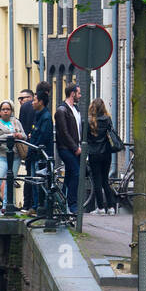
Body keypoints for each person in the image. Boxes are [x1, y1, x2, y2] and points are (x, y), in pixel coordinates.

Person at [0, 100, 25, 212]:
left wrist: (20, 135)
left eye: (8, 109)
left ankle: (7, 205)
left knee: (10, 181)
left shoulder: (16, 122)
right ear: (0, 111)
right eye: (3, 109)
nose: (6, 111)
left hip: (15, 156)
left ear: (11, 111)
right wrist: (7, 136)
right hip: (1, 155)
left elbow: (25, 136)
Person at [54, 81, 83, 215]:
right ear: (72, 94)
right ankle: (73, 205)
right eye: (78, 93)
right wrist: (75, 148)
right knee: (76, 173)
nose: (80, 95)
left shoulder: (75, 109)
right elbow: (63, 132)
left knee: (70, 174)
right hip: (66, 148)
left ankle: (62, 201)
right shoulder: (62, 110)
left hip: (75, 148)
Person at [86, 97, 118, 214]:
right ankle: (111, 207)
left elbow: (85, 138)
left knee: (97, 181)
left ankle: (100, 208)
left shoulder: (88, 121)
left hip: (94, 154)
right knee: (105, 180)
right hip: (106, 154)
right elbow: (111, 134)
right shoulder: (107, 119)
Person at [28, 87, 55, 210]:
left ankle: (40, 207)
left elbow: (43, 136)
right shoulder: (39, 115)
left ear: (40, 102)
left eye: (34, 100)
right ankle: (36, 206)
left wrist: (34, 148)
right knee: (35, 182)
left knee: (39, 182)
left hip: (40, 156)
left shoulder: (46, 117)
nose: (32, 102)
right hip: (35, 155)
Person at [17, 89, 36, 210]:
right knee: (33, 175)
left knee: (29, 174)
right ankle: (33, 204)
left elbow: (22, 127)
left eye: (22, 98)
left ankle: (26, 204)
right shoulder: (29, 107)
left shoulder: (24, 108)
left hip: (27, 145)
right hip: (34, 145)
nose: (20, 101)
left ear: (31, 97)